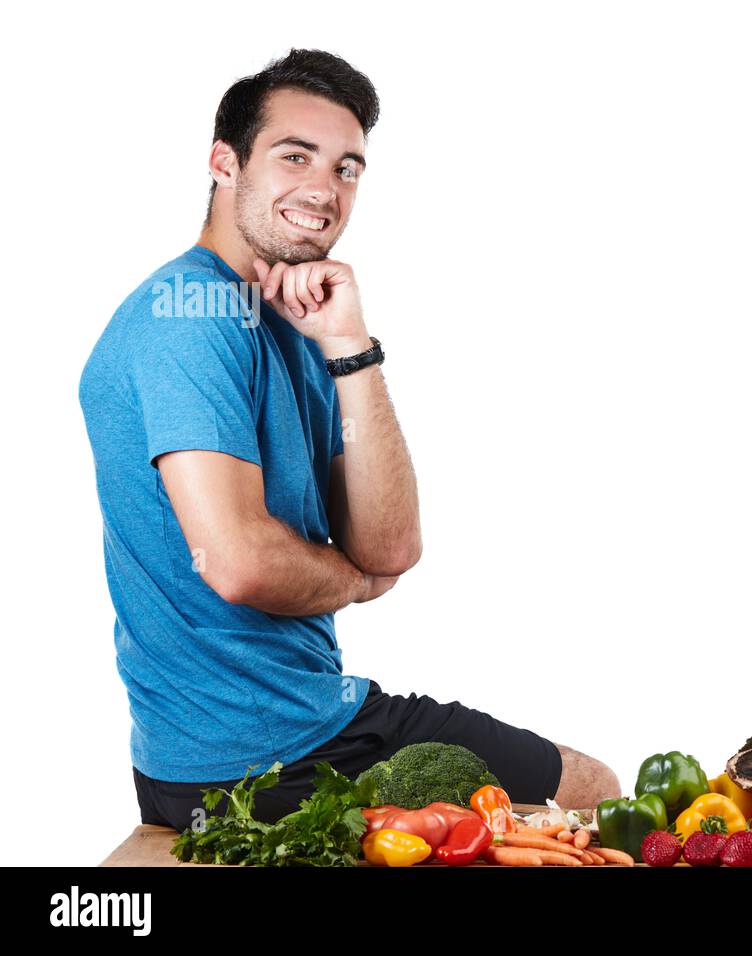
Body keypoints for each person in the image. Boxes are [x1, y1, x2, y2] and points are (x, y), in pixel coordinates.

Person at [78, 49, 619, 833]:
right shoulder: (188, 318)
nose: (324, 189)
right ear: (224, 163)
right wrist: (357, 584)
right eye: (294, 156)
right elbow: (240, 562)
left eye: (347, 167)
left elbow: (392, 546)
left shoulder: (291, 322)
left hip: (273, 738)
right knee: (592, 787)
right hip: (265, 759)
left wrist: (350, 346)